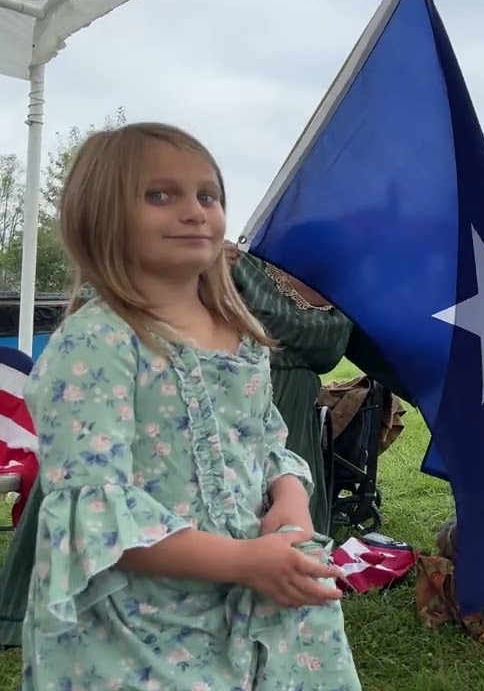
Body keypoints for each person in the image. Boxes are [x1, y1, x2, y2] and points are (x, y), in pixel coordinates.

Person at [17, 122, 361, 689]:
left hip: (258, 587)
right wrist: (243, 562)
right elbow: (94, 512)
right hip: (142, 621)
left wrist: (292, 500)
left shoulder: (241, 332)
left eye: (208, 195)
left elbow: (266, 441)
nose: (194, 210)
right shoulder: (98, 341)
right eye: (161, 195)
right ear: (100, 215)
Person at [225, 242, 354, 534]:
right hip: (237, 410)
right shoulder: (237, 260)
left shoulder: (346, 281)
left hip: (294, 426)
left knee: (294, 518)